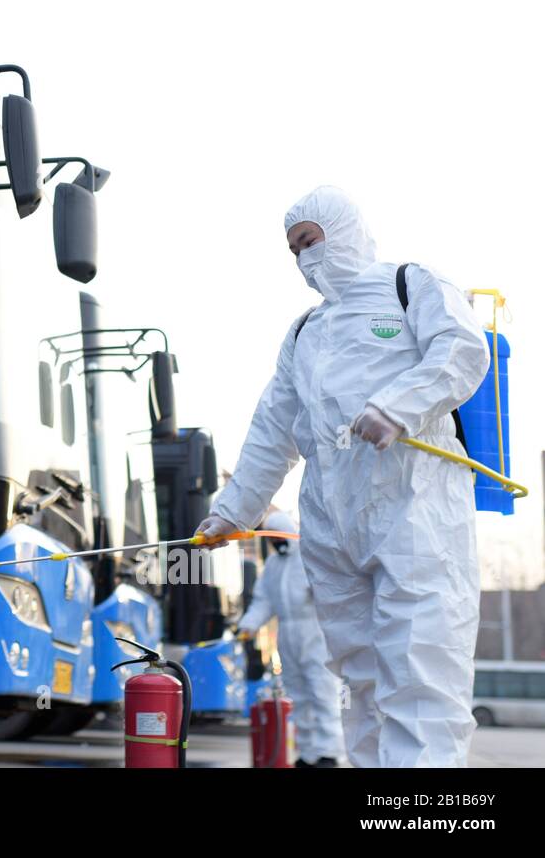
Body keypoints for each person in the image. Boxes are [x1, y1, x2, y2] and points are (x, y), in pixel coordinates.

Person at [197, 185, 488, 768]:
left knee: (420, 669)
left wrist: (398, 408)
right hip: (332, 523)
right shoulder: (305, 331)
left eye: (311, 241)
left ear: (345, 230)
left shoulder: (412, 284)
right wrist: (234, 509)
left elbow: (461, 349)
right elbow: (273, 426)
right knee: (362, 678)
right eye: (294, 251)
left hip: (415, 508)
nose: (306, 260)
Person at [238, 509, 345, 767]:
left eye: (278, 538)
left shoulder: (309, 558)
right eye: (272, 541)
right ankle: (308, 753)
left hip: (315, 632)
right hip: (287, 633)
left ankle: (329, 752)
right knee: (299, 694)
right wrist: (248, 625)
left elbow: (330, 591)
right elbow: (263, 601)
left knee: (322, 692)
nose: (276, 545)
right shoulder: (273, 566)